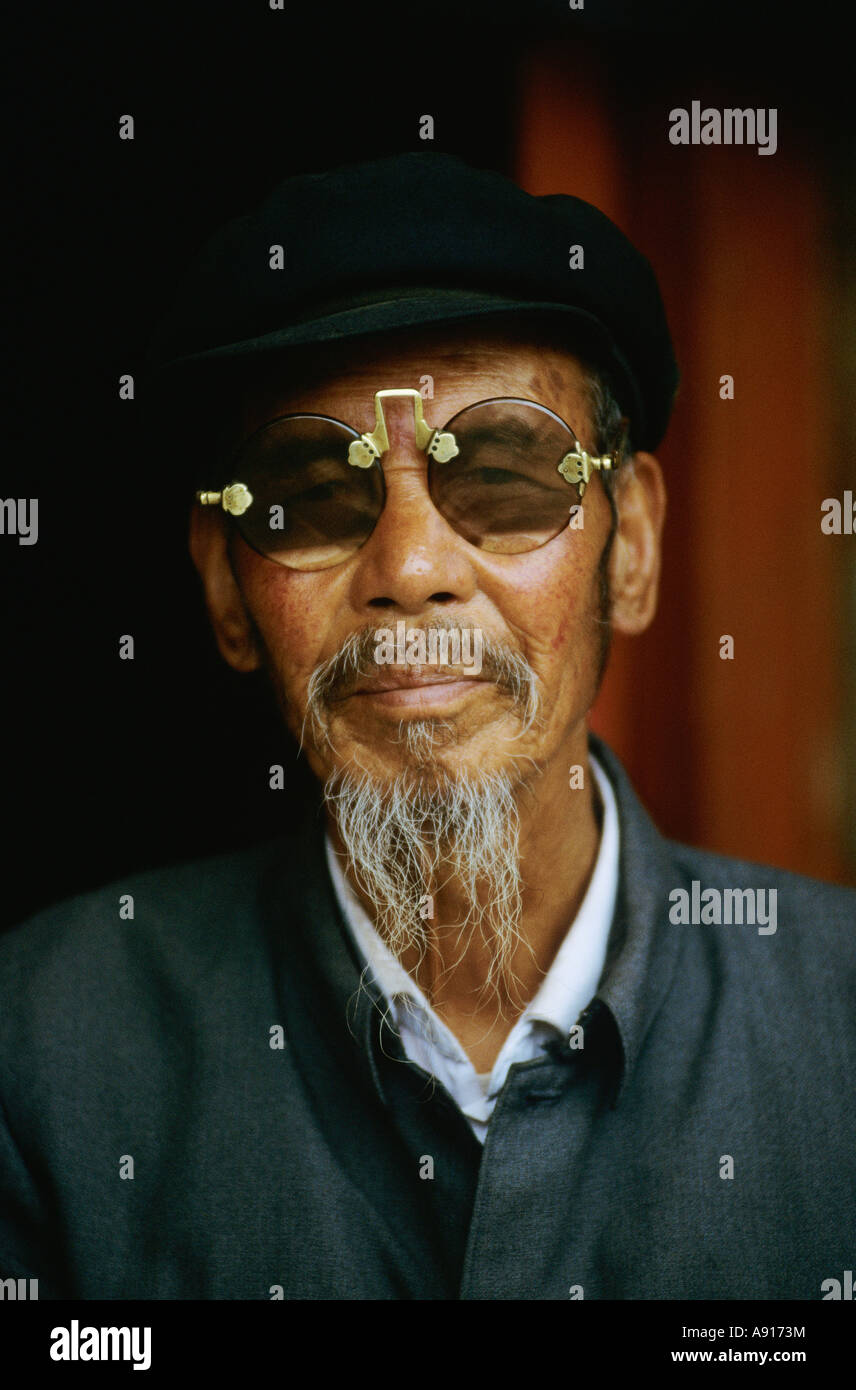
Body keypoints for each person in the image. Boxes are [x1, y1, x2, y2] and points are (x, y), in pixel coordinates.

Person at [1, 153, 853, 1301]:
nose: (408, 568)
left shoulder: (836, 1027)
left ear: (634, 543)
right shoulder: (43, 1048)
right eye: (310, 494)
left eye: (504, 475)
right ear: (224, 591)